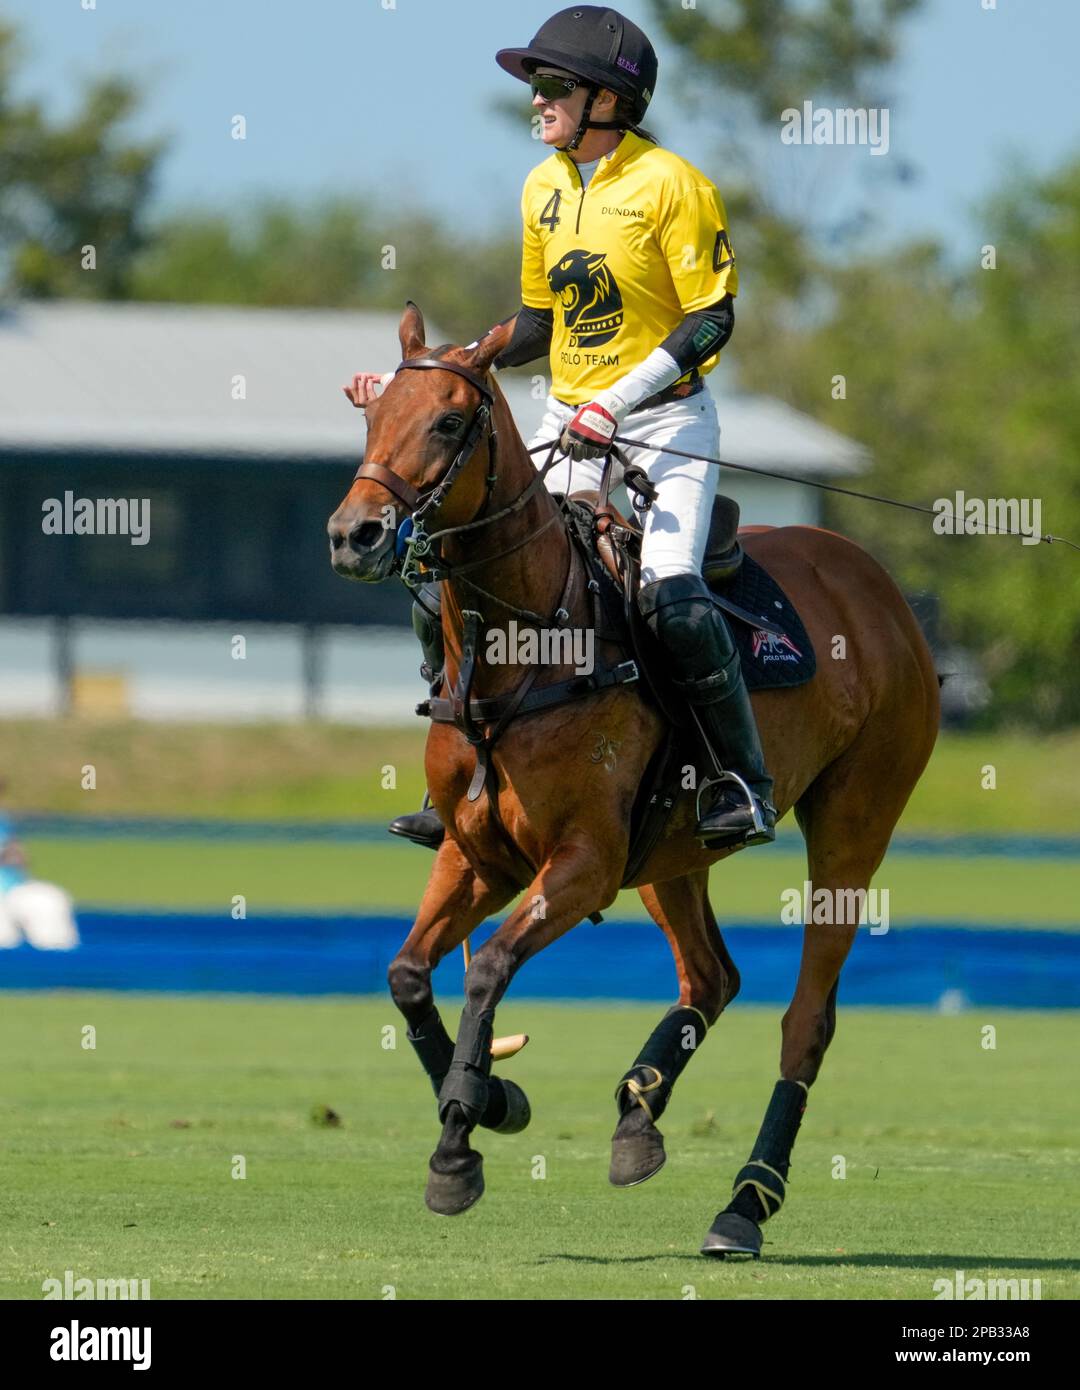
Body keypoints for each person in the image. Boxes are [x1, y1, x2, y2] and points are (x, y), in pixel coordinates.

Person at [345, 5, 776, 854]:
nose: (536, 100)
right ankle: (461, 770)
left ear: (607, 100)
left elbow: (713, 317)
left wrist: (617, 400)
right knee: (456, 574)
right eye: (536, 85)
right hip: (569, 420)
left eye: (553, 86)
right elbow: (541, 321)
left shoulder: (673, 185)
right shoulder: (542, 187)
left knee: (671, 600)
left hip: (664, 422)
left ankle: (740, 781)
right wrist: (434, 377)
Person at [0, 780, 79, 950]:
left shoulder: (2, 821)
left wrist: (13, 855)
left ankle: (59, 962)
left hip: (12, 887)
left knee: (49, 900)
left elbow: (18, 859)